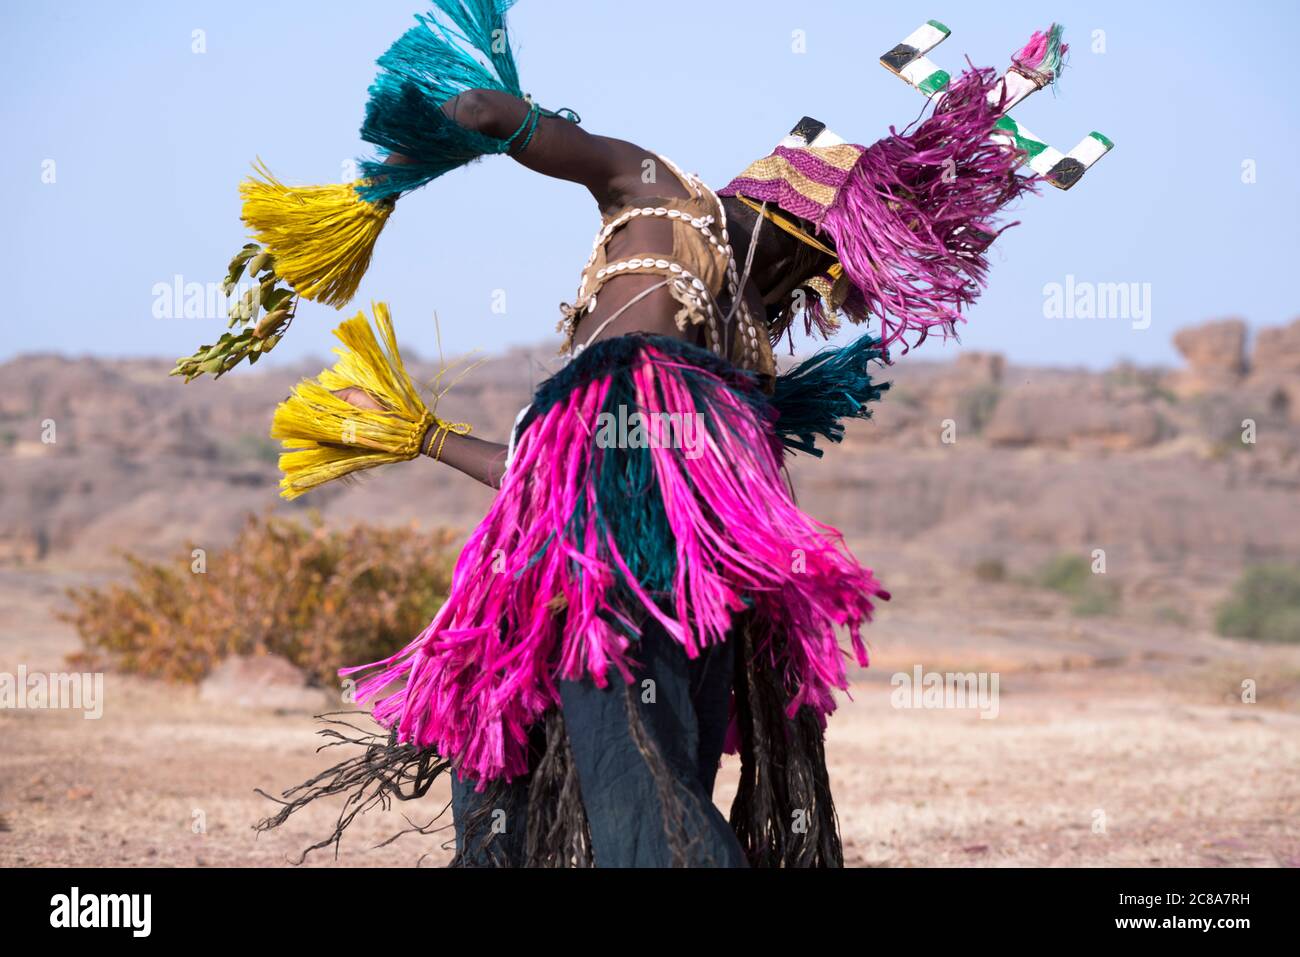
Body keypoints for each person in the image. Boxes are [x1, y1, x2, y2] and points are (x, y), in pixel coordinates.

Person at [235, 3, 1073, 868]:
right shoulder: (674, 202)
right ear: (803, 231)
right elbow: (562, 463)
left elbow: (562, 454)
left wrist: (421, 163)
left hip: (602, 572)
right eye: (818, 274)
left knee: (595, 781)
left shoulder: (721, 324)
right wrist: (422, 415)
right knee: (611, 773)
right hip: (624, 575)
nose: (804, 303)